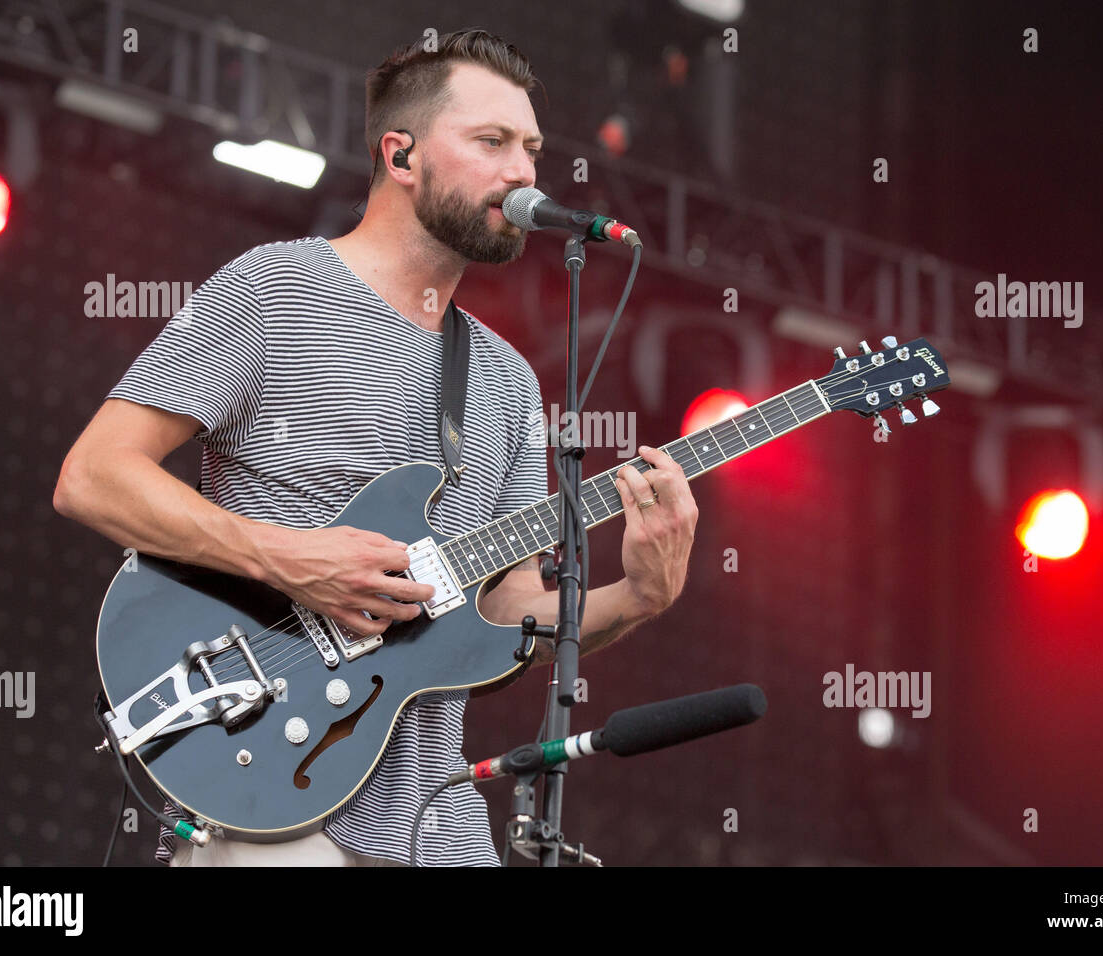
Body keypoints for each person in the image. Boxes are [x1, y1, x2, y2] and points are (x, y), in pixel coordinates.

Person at [53, 28, 698, 866]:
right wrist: (287, 558)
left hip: (439, 824)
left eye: (533, 150)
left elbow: (504, 616)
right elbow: (94, 476)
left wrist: (638, 595)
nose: (525, 174)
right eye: (492, 142)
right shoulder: (276, 288)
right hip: (274, 799)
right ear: (401, 155)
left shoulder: (503, 379)